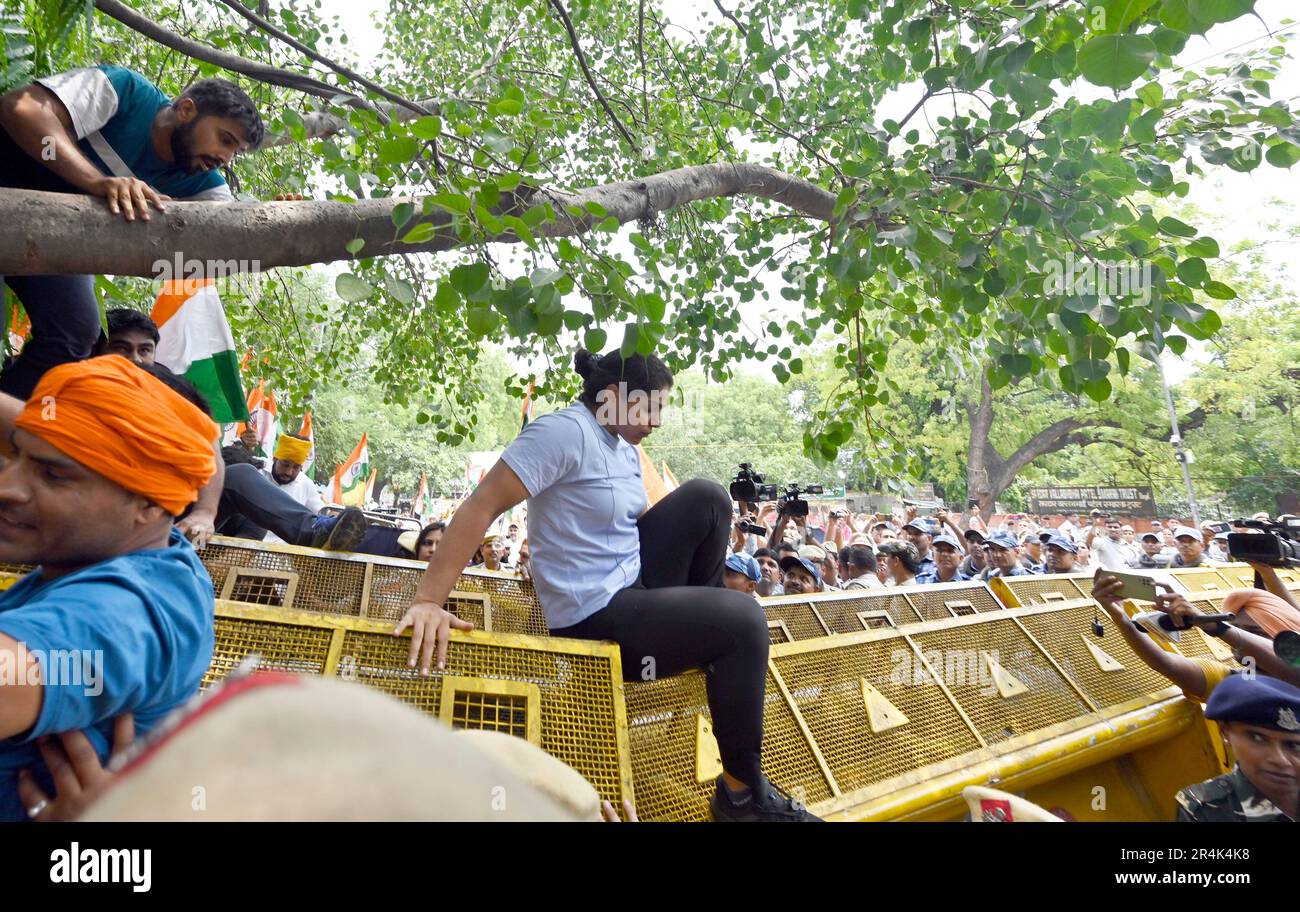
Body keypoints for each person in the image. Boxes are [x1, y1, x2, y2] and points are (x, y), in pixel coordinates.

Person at [393, 348, 815, 822]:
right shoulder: (562, 432)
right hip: (593, 617)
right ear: (614, 397)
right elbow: (480, 506)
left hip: (636, 587)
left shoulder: (626, 449)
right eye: (650, 408)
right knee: (745, 620)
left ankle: (709, 643)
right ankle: (742, 797)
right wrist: (429, 599)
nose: (656, 422)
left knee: (709, 497)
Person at [0, 356, 218, 821]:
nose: (7, 486)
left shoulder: (123, 613)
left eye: (52, 474)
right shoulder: (163, 551)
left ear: (147, 504)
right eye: (12, 454)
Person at [0, 68, 263, 399]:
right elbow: (21, 108)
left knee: (74, 333)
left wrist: (286, 215)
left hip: (52, 248)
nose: (224, 159)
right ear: (186, 110)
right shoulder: (124, 91)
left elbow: (232, 234)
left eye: (235, 152)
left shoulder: (204, 184)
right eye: (225, 139)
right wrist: (97, 182)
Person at [1090, 576, 1299, 702]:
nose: (1240, 643)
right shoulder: (1237, 683)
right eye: (1239, 629)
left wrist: (1218, 628)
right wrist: (1121, 618)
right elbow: (1166, 663)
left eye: (1257, 632)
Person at [1175, 674, 1300, 822]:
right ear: (1224, 732)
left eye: (1293, 745)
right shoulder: (1204, 808)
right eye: (1257, 738)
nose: (1280, 760)